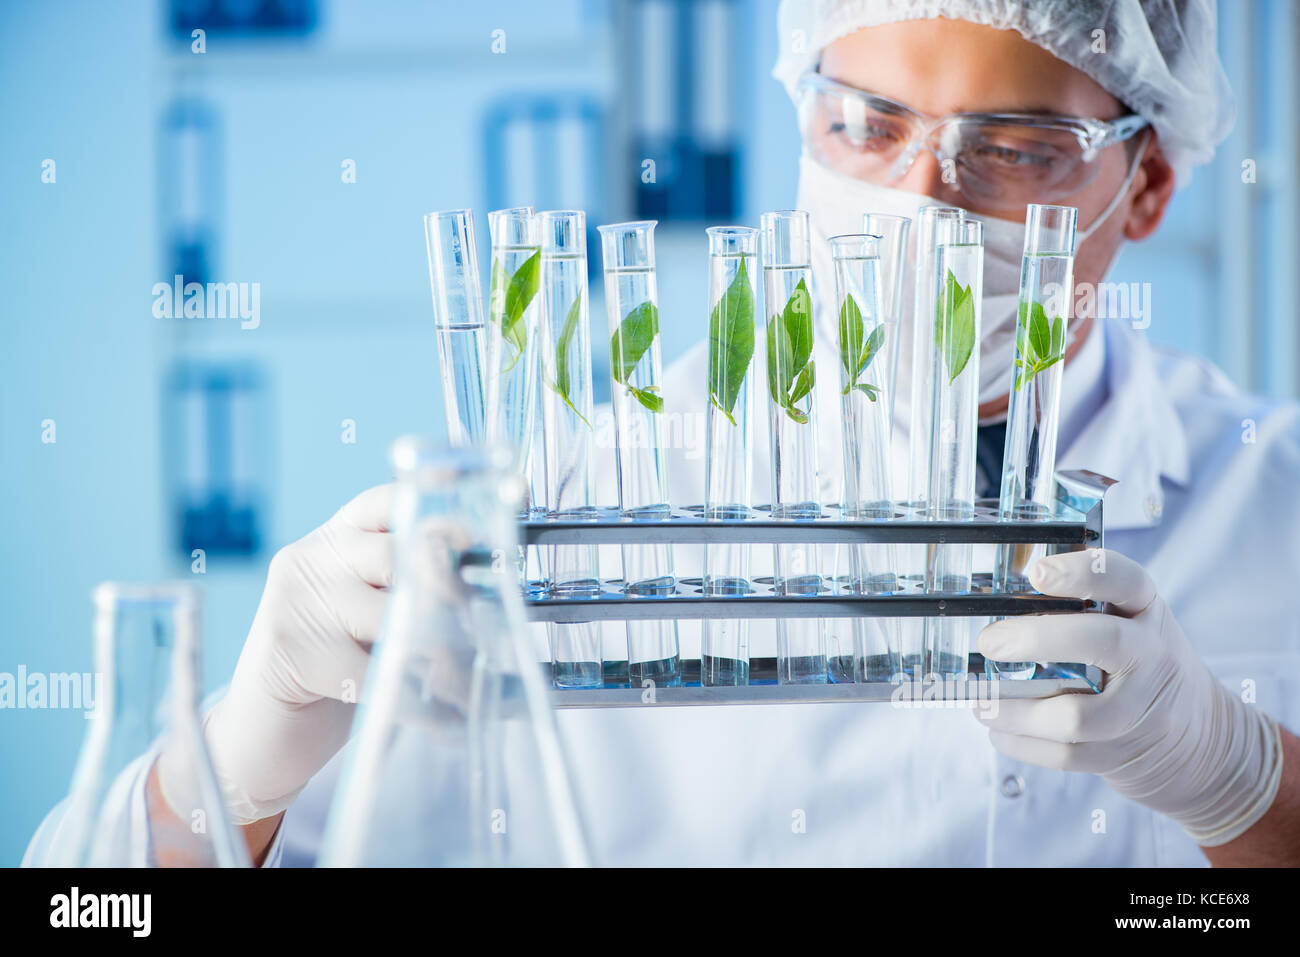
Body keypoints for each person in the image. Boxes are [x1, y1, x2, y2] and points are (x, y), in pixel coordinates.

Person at [27, 0, 1300, 867]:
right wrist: (245, 749)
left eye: (1017, 148)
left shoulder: (1273, 499)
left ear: (1144, 187)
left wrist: (1241, 781)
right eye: (865, 124)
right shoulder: (586, 491)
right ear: (803, 118)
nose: (920, 199)